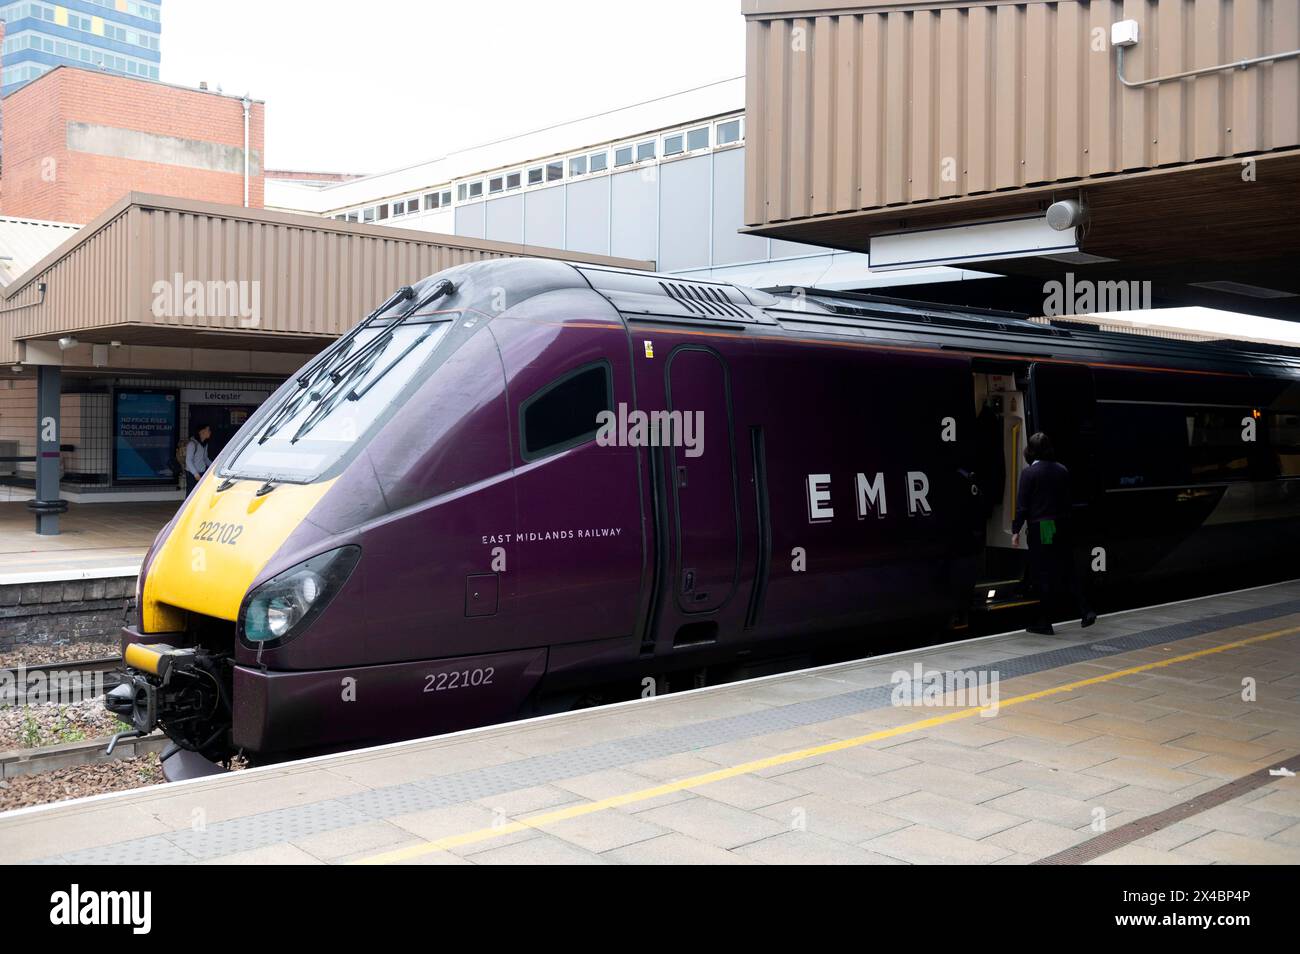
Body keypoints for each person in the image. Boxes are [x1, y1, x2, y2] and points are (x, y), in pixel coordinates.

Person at [1011, 431, 1097, 635]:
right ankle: (1085, 610)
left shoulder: (1029, 473)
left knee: (1044, 573)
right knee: (1068, 569)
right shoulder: (1062, 470)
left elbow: (1022, 506)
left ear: (1030, 451)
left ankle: (1045, 622)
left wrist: (1015, 530)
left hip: (1044, 526)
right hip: (1063, 525)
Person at [184, 424, 212, 495]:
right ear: (201, 431)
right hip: (192, 474)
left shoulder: (205, 444)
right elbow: (188, 460)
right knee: (191, 495)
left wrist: (213, 466)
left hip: (201, 472)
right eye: (208, 430)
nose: (210, 432)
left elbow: (205, 458)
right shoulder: (192, 444)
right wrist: (195, 474)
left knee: (200, 495)